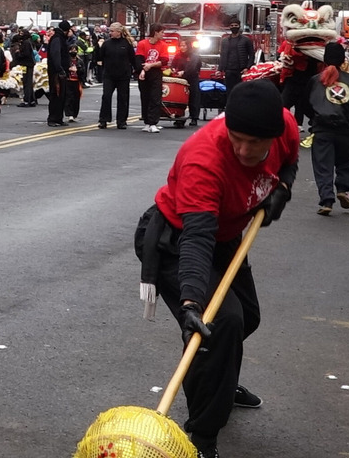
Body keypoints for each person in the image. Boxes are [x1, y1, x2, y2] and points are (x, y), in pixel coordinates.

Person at [133, 79, 299, 458]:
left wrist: (283, 189)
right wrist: (191, 302)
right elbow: (197, 238)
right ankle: (202, 436)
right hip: (175, 240)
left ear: (273, 134)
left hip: (225, 238)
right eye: (236, 138)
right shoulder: (203, 159)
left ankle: (218, 382)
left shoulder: (285, 126)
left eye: (254, 143)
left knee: (247, 318)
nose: (243, 150)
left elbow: (289, 161)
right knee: (218, 324)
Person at [308, 43, 349, 215]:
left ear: (325, 59)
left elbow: (306, 103)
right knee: (345, 160)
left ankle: (327, 200)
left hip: (323, 129)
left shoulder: (316, 80)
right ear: (344, 60)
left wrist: (315, 120)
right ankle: (343, 188)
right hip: (347, 131)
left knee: (323, 164)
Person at [97, 23, 139, 129]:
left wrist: (137, 71)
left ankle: (121, 121)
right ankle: (104, 119)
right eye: (110, 31)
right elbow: (99, 56)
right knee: (106, 96)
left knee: (123, 98)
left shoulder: (126, 44)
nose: (110, 33)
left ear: (119, 32)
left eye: (112, 31)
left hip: (123, 75)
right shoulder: (107, 44)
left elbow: (132, 59)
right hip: (109, 75)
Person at [136, 25, 169, 133]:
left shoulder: (163, 45)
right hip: (144, 71)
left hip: (156, 72)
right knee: (145, 97)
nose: (163, 35)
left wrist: (151, 65)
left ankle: (153, 122)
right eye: (162, 32)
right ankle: (146, 121)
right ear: (156, 32)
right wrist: (142, 70)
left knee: (155, 98)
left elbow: (164, 60)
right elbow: (139, 58)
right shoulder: (142, 44)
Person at [46, 21, 74, 127]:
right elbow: (56, 54)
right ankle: (53, 118)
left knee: (61, 95)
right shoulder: (58, 39)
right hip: (56, 72)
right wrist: (60, 69)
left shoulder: (59, 38)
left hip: (59, 71)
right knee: (56, 95)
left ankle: (58, 118)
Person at [218, 21, 255, 93]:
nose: (234, 27)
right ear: (229, 27)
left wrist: (247, 68)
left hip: (241, 70)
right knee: (229, 90)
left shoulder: (246, 40)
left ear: (239, 26)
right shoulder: (224, 41)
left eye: (236, 25)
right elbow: (222, 55)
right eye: (232, 25)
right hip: (228, 70)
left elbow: (251, 55)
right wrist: (220, 69)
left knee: (241, 90)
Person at [176, 38, 203, 127]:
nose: (182, 47)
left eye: (184, 46)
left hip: (192, 78)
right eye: (181, 46)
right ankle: (179, 117)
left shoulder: (195, 56)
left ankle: (194, 118)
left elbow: (193, 68)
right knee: (179, 99)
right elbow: (173, 65)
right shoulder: (178, 56)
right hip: (181, 80)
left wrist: (184, 72)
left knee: (194, 98)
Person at [9, 30, 38, 107]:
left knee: (26, 83)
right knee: (29, 82)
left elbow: (26, 54)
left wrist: (18, 53)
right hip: (29, 64)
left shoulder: (25, 43)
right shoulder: (28, 42)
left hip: (26, 64)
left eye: (21, 33)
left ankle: (26, 100)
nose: (20, 35)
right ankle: (31, 100)